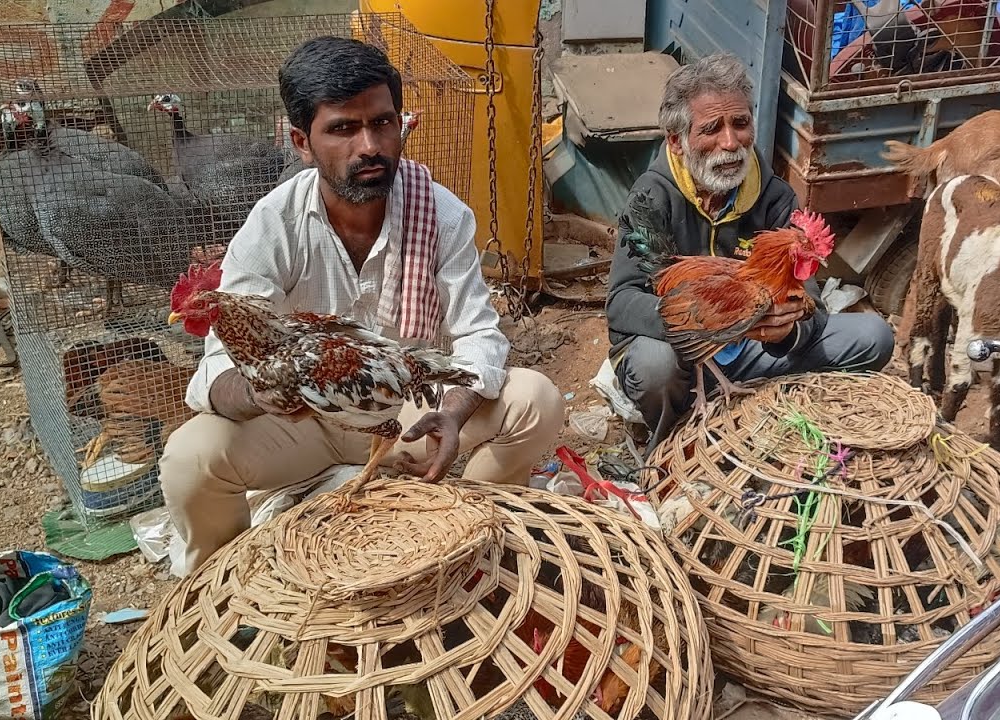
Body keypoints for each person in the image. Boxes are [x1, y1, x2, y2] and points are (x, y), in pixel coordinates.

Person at [160, 36, 564, 574]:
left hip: (407, 414)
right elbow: (216, 364)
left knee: (535, 399)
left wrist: (451, 412)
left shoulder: (440, 213)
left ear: (400, 124)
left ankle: (462, 542)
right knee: (190, 459)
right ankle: (225, 590)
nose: (369, 145)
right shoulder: (273, 224)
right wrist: (262, 389)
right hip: (305, 419)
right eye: (343, 128)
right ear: (302, 142)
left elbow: (479, 336)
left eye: (382, 123)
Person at [606, 52, 894, 455]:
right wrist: (694, 322)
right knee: (655, 365)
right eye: (711, 129)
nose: (730, 142)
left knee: (872, 336)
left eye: (740, 123)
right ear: (677, 140)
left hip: (755, 351)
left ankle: (776, 415)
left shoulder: (775, 196)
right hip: (686, 358)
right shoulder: (653, 198)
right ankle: (672, 439)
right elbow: (621, 303)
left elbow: (808, 297)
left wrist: (788, 330)